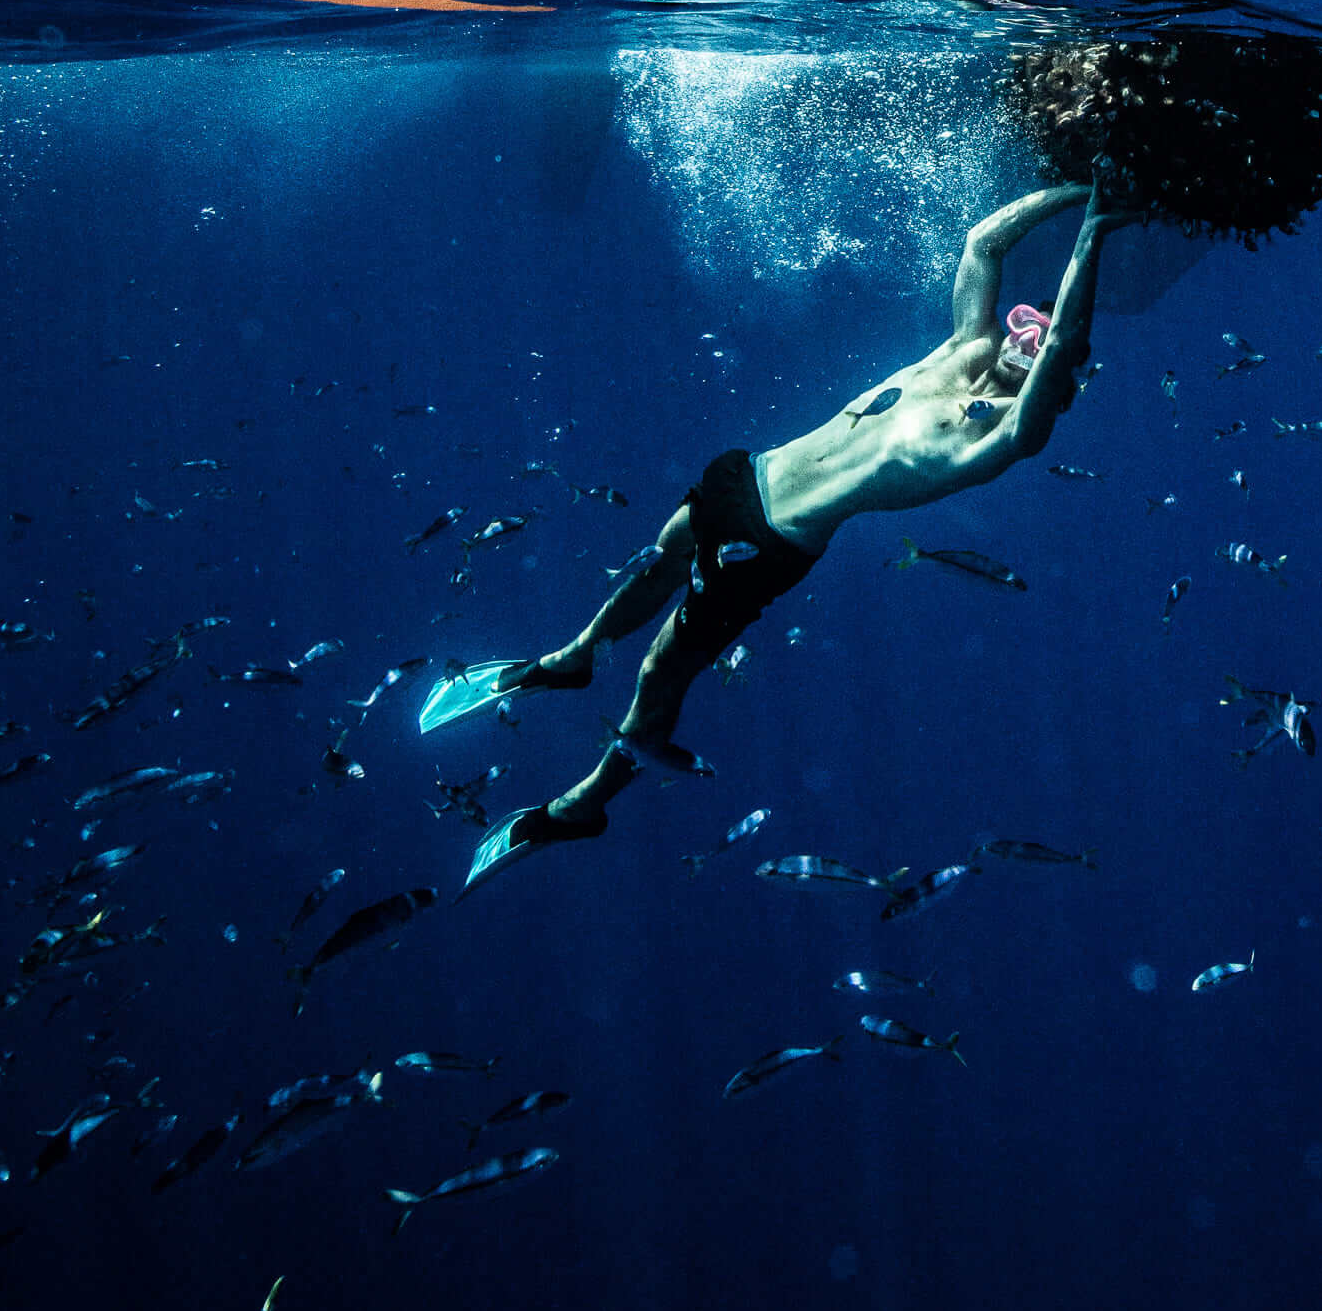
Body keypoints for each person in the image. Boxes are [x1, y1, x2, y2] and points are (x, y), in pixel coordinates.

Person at [426, 181, 1129, 887]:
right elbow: (984, 241)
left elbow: (1068, 338)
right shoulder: (961, 348)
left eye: (1041, 339)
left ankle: (583, 806)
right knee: (659, 560)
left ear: (1057, 377)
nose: (1026, 334)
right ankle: (576, 655)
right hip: (746, 476)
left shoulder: (1010, 434)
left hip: (770, 547)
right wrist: (1075, 189)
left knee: (661, 672)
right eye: (1025, 321)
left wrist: (1094, 231)